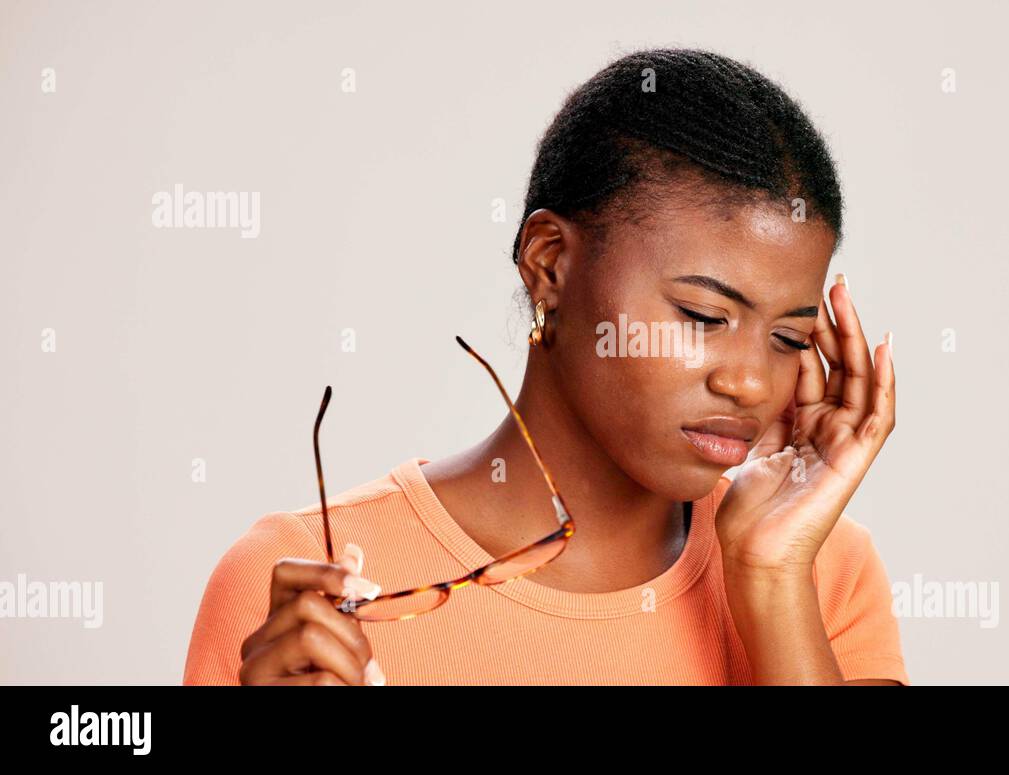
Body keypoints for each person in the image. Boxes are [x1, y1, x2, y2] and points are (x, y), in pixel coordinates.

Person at [183, 48, 907, 685]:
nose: (749, 383)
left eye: (788, 338)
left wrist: (775, 583)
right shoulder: (304, 586)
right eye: (704, 318)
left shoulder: (821, 573)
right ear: (550, 263)